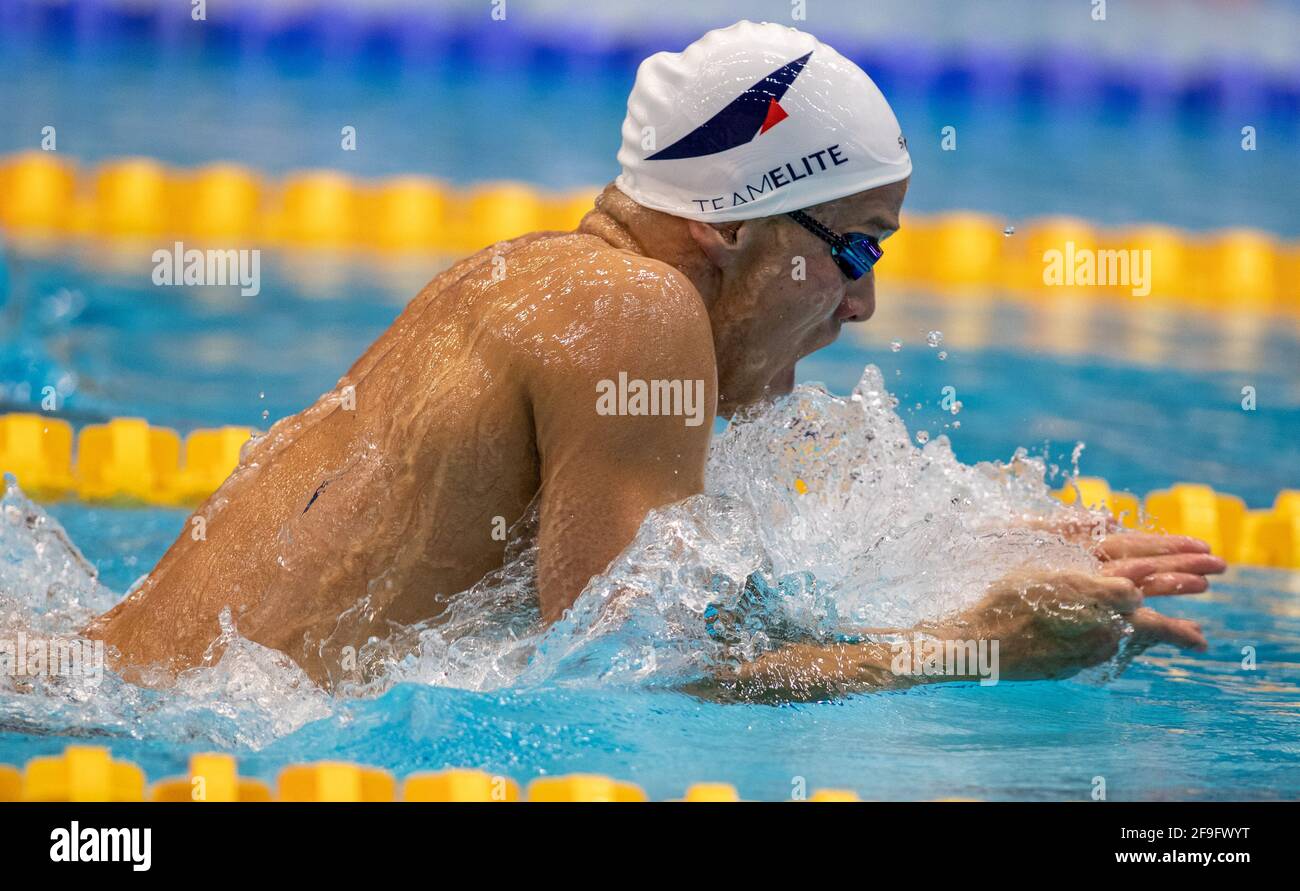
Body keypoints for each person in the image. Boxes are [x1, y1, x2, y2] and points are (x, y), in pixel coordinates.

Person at [85, 21, 1224, 696]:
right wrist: (970, 647)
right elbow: (641, 676)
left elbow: (670, 583)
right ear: (731, 225)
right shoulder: (632, 311)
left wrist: (970, 544)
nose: (866, 303)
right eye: (855, 247)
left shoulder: (545, 280)